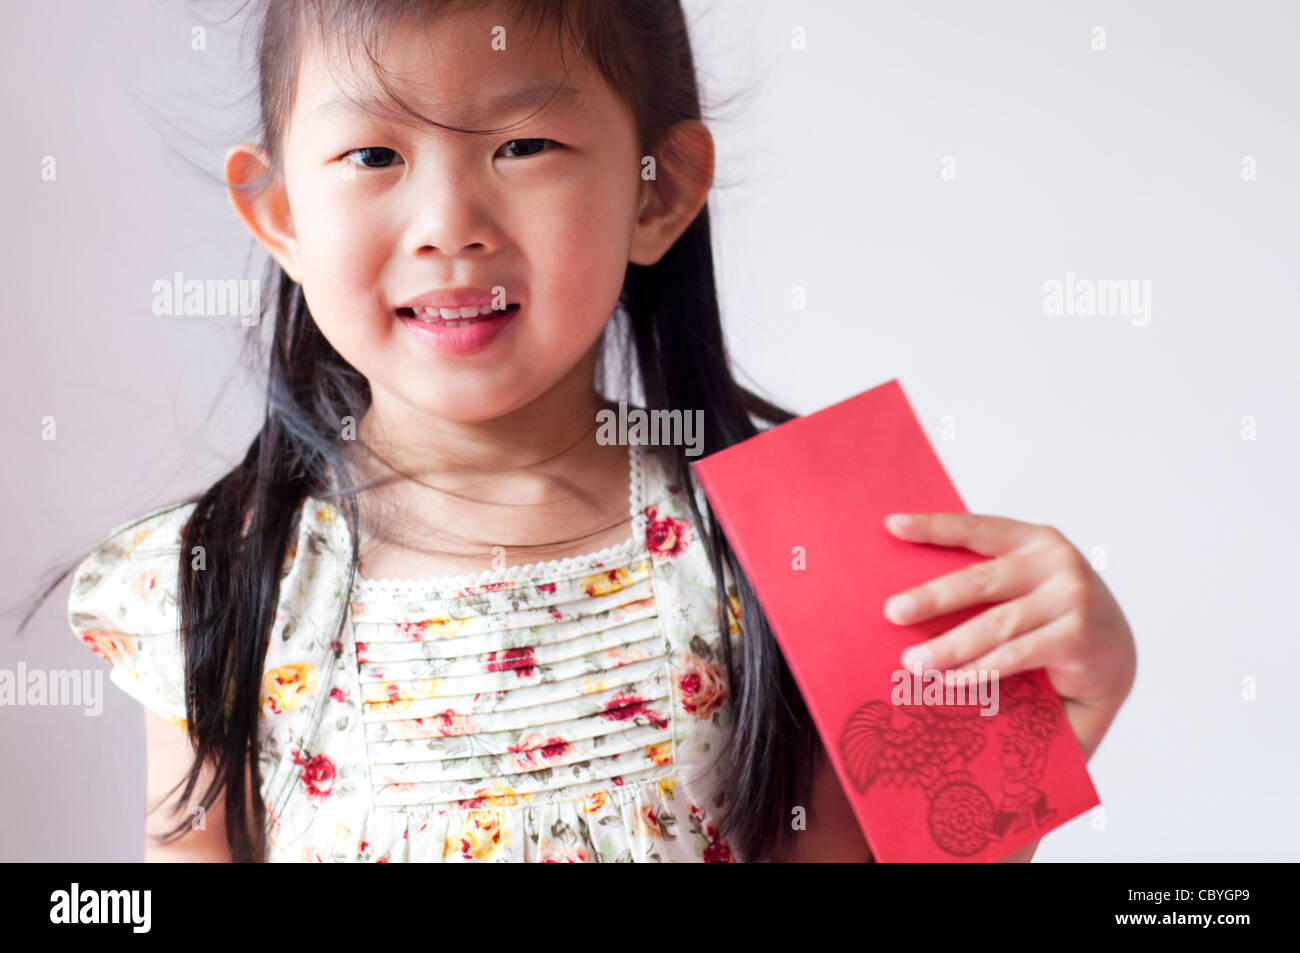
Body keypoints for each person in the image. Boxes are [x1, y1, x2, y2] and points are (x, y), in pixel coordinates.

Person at [65, 0, 1136, 862]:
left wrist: (1037, 720)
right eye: (373, 156)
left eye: (523, 143)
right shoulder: (211, 576)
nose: (449, 224)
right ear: (281, 213)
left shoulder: (795, 547)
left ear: (655, 189)